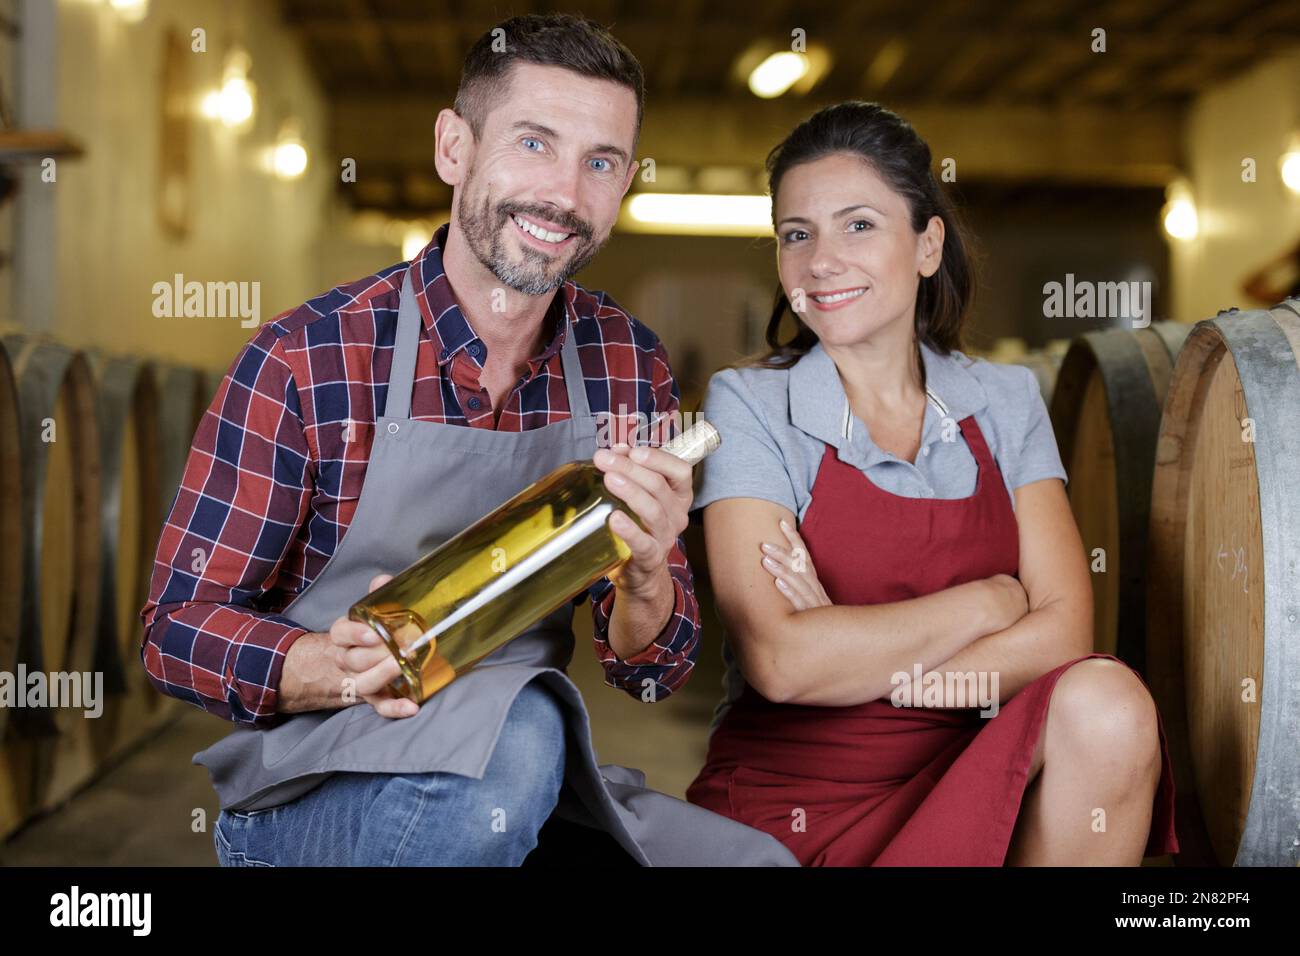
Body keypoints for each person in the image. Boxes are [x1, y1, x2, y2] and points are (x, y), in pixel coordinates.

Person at [140, 13, 798, 868]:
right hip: (317, 779)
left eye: (600, 162)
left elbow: (651, 671)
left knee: (750, 864)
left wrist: (644, 572)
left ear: (626, 182)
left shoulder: (627, 361)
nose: (565, 193)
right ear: (454, 148)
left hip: (511, 766)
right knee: (523, 736)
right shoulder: (308, 357)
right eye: (534, 143)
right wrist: (319, 663)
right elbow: (173, 630)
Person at [684, 101, 1179, 866]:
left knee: (1108, 703)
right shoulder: (749, 403)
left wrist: (871, 662)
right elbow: (784, 662)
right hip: (799, 802)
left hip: (978, 770)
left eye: (858, 225)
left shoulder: (1006, 399)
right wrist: (992, 602)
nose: (820, 261)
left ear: (927, 244)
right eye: (796, 234)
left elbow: (1065, 636)